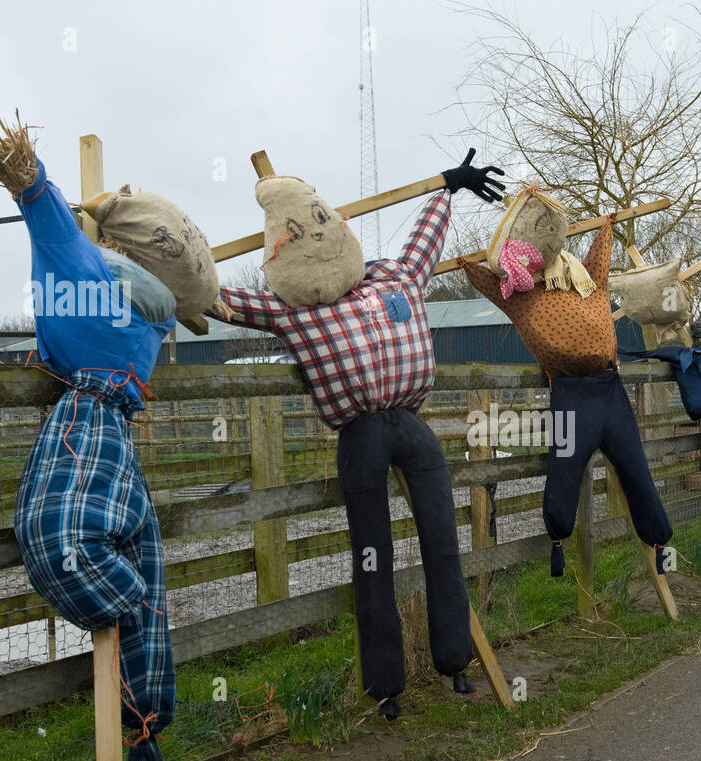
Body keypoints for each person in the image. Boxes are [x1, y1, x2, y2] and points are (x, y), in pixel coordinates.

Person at [216, 151, 505, 721]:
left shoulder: (394, 278)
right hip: (361, 432)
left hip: (413, 424)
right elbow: (219, 300)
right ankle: (386, 683)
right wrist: (163, 265)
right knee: (372, 555)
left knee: (442, 541)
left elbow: (424, 242)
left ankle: (455, 658)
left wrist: (447, 188)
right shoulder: (288, 308)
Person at [10, 156, 178, 761]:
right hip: (117, 434)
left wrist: (32, 188)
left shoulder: (97, 286)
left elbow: (57, 240)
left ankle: (141, 722)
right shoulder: (154, 314)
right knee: (146, 568)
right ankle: (145, 724)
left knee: (67, 535)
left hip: (94, 424)